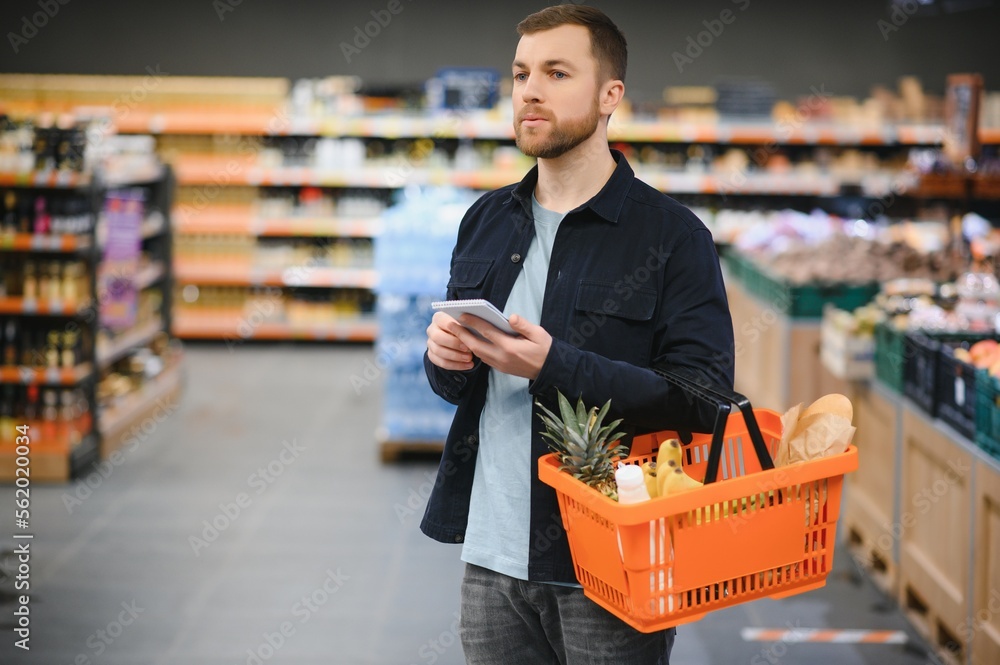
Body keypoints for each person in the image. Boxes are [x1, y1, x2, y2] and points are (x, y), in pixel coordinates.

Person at [422, 5, 734, 664]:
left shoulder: (672, 238)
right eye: (521, 74)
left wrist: (556, 365)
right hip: (491, 555)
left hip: (611, 561)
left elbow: (702, 401)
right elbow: (459, 388)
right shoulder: (487, 220)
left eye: (557, 73)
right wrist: (444, 359)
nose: (530, 90)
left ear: (609, 94)